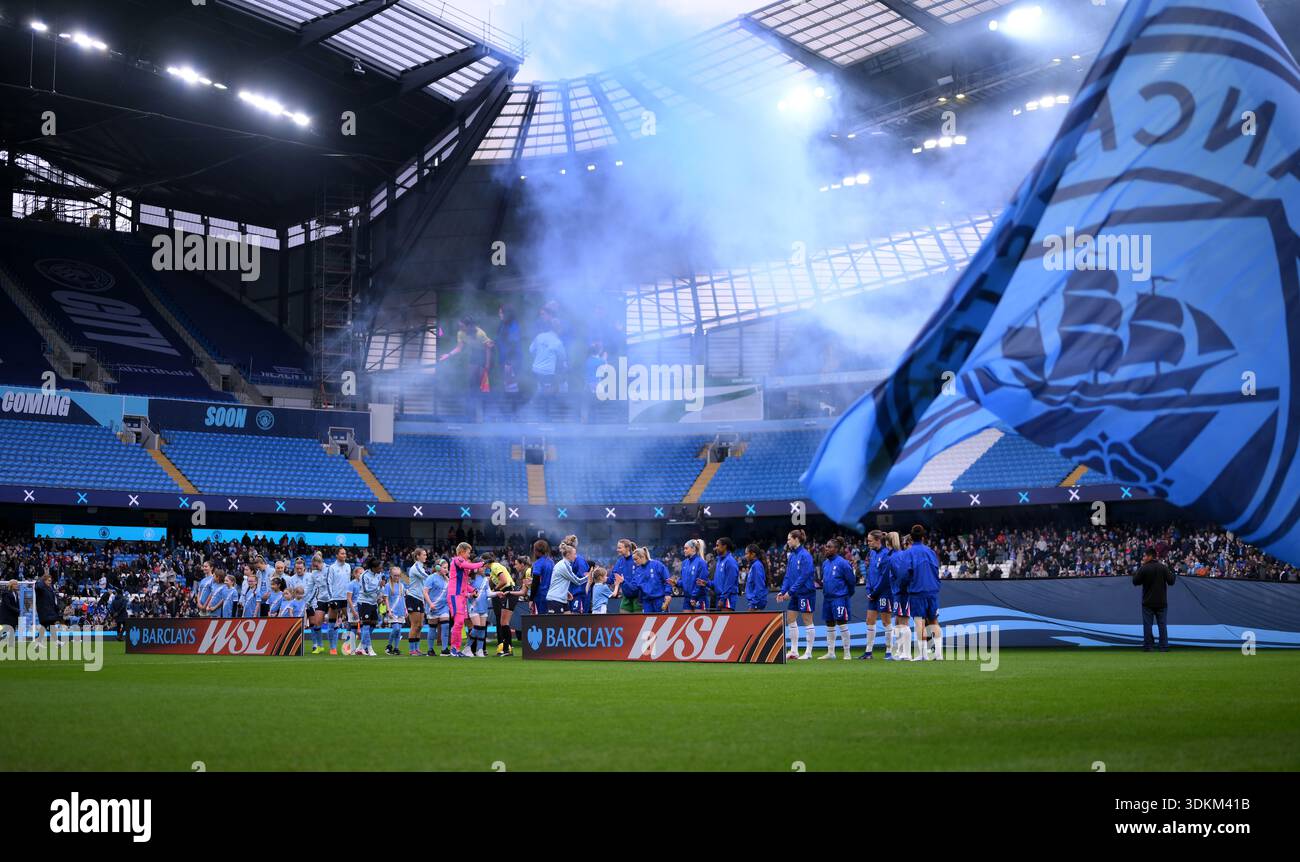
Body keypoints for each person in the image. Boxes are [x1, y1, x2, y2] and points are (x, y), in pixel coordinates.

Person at [895, 525, 941, 661]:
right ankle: (938, 654)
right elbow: (936, 569)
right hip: (932, 590)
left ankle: (923, 655)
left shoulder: (908, 553)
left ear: (911, 536)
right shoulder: (931, 551)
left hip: (917, 591)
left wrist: (904, 585)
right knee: (933, 620)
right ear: (923, 537)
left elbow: (903, 574)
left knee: (919, 621)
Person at [777, 529, 816, 660]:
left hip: (806, 593)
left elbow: (804, 577)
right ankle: (794, 651)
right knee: (790, 619)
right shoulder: (792, 556)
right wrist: (783, 591)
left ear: (796, 539)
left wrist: (790, 591)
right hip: (795, 594)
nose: (787, 541)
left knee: (807, 620)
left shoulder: (805, 555)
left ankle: (809, 652)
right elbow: (788, 575)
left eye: (789, 539)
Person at [1132, 547, 1176, 652]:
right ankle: (1164, 646)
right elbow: (1171, 581)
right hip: (1161, 602)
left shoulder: (1144, 568)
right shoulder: (1163, 567)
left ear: (1150, 556)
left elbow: (1135, 581)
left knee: (1148, 625)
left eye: (1145, 556)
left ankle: (1148, 646)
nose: (1144, 558)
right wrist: (1173, 571)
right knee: (1162, 625)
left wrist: (1140, 571)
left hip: (1148, 602)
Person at [818, 538, 855, 660]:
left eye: (829, 547)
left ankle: (847, 653)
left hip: (839, 598)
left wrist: (845, 595)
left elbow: (851, 582)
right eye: (826, 546)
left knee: (841, 623)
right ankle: (831, 652)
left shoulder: (843, 563)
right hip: (827, 598)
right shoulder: (825, 563)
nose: (826, 549)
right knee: (829, 623)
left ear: (836, 549)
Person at [860, 531, 894, 660]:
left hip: (884, 593)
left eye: (870, 541)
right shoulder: (872, 553)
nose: (868, 543)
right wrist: (868, 589)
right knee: (870, 620)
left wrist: (874, 593)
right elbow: (869, 573)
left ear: (878, 540)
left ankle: (889, 651)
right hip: (873, 593)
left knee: (886, 621)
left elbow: (885, 578)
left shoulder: (886, 555)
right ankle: (868, 652)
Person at [448, 543, 485, 657]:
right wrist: (482, 563)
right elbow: (471, 566)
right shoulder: (457, 560)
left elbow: (464, 583)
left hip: (461, 596)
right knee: (458, 622)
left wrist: (473, 589)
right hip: (455, 595)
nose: (469, 555)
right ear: (462, 551)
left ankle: (456, 649)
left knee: (459, 623)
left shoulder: (463, 565)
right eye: (468, 552)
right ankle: (454, 649)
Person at [485, 553, 521, 657]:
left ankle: (507, 649)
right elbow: (492, 582)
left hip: (509, 592)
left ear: (487, 561)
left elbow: (504, 581)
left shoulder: (495, 566)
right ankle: (507, 649)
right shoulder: (494, 568)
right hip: (507, 593)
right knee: (503, 622)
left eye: (483, 562)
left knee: (504, 622)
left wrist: (495, 591)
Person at [323, 548, 352, 655]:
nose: (344, 555)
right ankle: (333, 647)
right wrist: (331, 599)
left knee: (350, 622)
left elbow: (349, 583)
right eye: (342, 553)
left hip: (346, 598)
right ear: (337, 555)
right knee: (332, 623)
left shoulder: (348, 567)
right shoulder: (332, 568)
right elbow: (328, 583)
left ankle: (348, 646)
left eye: (345, 553)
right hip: (335, 598)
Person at [546, 543, 585, 614]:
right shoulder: (564, 566)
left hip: (562, 599)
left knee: (568, 622)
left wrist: (566, 592)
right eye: (574, 554)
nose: (575, 556)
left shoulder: (563, 564)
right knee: (557, 624)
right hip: (555, 599)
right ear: (568, 555)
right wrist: (590, 576)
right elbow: (578, 582)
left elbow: (557, 581)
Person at [355, 557, 382, 657]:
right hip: (364, 602)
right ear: (373, 568)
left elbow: (378, 589)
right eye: (379, 568)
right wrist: (378, 587)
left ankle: (360, 647)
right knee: (366, 625)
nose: (380, 569)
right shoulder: (364, 575)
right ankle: (369, 649)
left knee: (373, 625)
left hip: (373, 603)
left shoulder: (378, 575)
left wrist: (379, 596)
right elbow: (365, 591)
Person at [405, 548, 430, 656]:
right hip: (413, 597)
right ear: (418, 556)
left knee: (420, 625)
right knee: (415, 625)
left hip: (419, 598)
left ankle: (417, 648)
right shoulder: (416, 568)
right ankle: (412, 650)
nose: (426, 556)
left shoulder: (420, 567)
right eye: (424, 555)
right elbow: (427, 578)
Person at [632, 547, 671, 614]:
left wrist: (668, 594)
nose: (634, 562)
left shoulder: (657, 565)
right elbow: (634, 586)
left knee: (662, 622)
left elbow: (668, 580)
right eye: (633, 560)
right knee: (648, 623)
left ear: (642, 557)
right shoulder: (638, 571)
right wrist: (623, 582)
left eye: (636, 559)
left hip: (659, 600)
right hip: (646, 602)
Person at [426, 557, 451, 656]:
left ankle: (444, 649)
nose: (446, 570)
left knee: (445, 626)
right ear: (437, 567)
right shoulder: (431, 578)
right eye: (444, 567)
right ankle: (430, 649)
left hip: (444, 607)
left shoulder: (447, 580)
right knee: (432, 628)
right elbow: (425, 592)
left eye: (447, 568)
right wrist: (430, 604)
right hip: (433, 607)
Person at [709, 537, 740, 611]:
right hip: (719, 598)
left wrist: (723, 599)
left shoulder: (730, 561)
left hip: (727, 599)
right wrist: (707, 583)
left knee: (727, 621)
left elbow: (730, 583)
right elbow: (718, 583)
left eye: (717, 545)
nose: (715, 548)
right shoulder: (719, 561)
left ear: (724, 546)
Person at [678, 539, 709, 611]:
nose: (684, 550)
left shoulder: (701, 562)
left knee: (701, 621)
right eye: (684, 548)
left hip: (699, 598)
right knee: (686, 621)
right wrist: (676, 583)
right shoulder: (684, 563)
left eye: (686, 548)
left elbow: (700, 583)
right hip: (687, 598)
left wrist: (694, 597)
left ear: (693, 549)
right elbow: (684, 581)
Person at [468, 566, 492, 658]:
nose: (484, 569)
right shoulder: (470, 579)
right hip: (473, 607)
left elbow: (489, 593)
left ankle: (480, 650)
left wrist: (497, 593)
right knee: (477, 628)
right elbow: (465, 592)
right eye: (481, 567)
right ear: (476, 568)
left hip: (484, 607)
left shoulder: (485, 579)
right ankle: (468, 647)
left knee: (482, 629)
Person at [564, 535, 591, 614]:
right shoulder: (566, 561)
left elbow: (585, 578)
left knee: (578, 620)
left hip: (579, 595)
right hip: (571, 594)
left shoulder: (579, 560)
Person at [384, 565, 407, 656]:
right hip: (393, 611)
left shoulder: (401, 585)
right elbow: (386, 599)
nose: (397, 577)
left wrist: (406, 610)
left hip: (401, 610)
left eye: (398, 575)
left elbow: (403, 598)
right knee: (396, 629)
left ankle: (396, 648)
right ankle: (389, 645)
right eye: (395, 575)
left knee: (399, 631)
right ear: (391, 575)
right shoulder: (388, 586)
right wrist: (388, 610)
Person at [611, 538, 639, 613]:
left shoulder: (636, 560)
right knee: (624, 620)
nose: (617, 550)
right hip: (626, 597)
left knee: (638, 622)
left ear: (627, 548)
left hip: (638, 597)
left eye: (619, 548)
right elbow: (612, 577)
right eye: (617, 548)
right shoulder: (619, 561)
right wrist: (599, 577)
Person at [529, 539, 554, 616]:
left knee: (540, 620)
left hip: (540, 596)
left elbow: (535, 582)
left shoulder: (538, 563)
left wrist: (531, 599)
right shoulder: (551, 562)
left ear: (536, 551)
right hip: (551, 595)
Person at [743, 545, 768, 611]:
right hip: (755, 602)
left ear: (753, 554)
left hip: (756, 603)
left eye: (746, 553)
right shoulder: (754, 565)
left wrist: (754, 603)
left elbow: (759, 586)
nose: (745, 556)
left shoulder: (757, 566)